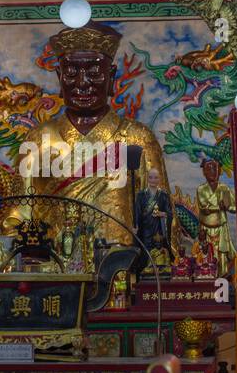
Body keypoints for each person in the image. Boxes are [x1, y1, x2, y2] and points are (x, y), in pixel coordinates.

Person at [11, 22, 170, 250]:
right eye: (71, 73)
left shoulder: (137, 137)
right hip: (54, 268)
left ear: (111, 76)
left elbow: (157, 211)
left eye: (94, 72)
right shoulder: (38, 139)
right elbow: (20, 210)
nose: (82, 83)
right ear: (59, 77)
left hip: (119, 266)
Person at [195, 156, 235, 276]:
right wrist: (220, 207)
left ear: (219, 171)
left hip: (221, 227)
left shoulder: (224, 189)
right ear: (204, 172)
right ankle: (207, 276)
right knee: (206, 254)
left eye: (215, 168)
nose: (212, 172)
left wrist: (227, 206)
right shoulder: (201, 189)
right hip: (205, 229)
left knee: (221, 253)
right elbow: (204, 208)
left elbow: (233, 207)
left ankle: (222, 277)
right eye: (209, 169)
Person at [134, 167, 173, 269]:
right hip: (145, 230)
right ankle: (145, 276)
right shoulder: (141, 195)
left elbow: (169, 213)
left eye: (156, 178)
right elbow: (137, 214)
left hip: (159, 230)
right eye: (151, 177)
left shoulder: (163, 195)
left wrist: (162, 214)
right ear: (147, 178)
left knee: (160, 253)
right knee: (146, 253)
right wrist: (136, 227)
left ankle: (160, 273)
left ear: (159, 179)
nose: (153, 180)